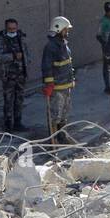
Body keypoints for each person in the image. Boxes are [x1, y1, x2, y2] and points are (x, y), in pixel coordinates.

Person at [41, 16, 76, 145]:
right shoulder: (50, 47)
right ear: (58, 29)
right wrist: (49, 84)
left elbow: (68, 64)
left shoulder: (64, 45)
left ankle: (63, 137)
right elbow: (46, 66)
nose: (67, 32)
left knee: (64, 114)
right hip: (56, 88)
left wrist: (71, 79)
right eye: (65, 29)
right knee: (55, 115)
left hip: (66, 85)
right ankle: (53, 140)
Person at [0, 18, 29, 133]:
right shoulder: (1, 40)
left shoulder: (20, 38)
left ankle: (18, 123)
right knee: (8, 100)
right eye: (10, 29)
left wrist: (26, 62)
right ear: (6, 28)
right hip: (8, 76)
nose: (12, 31)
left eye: (14, 28)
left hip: (20, 74)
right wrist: (13, 56)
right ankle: (8, 124)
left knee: (19, 100)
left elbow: (26, 53)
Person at [98, 2, 110, 94]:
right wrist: (105, 45)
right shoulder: (103, 21)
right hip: (107, 46)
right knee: (106, 66)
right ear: (107, 11)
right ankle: (107, 87)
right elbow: (98, 35)